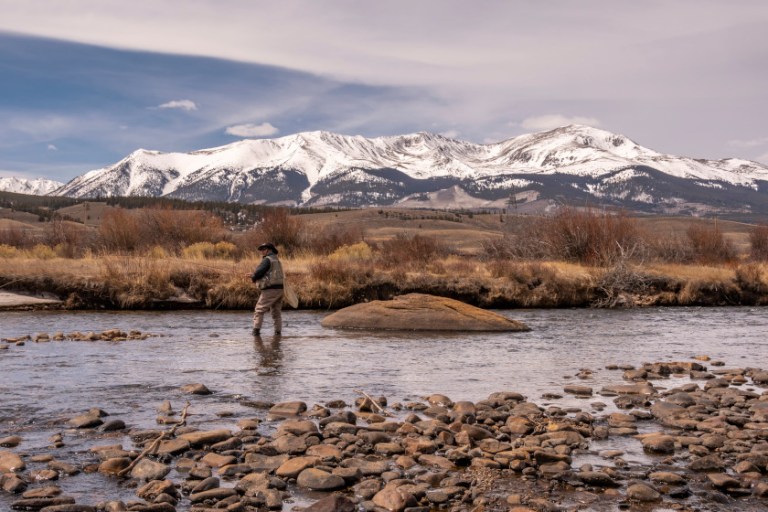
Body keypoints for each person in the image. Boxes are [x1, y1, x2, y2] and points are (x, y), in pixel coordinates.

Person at [250, 242, 284, 336]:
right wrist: (253, 275)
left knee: (259, 310)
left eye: (263, 249)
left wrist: (253, 277)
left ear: (269, 250)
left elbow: (259, 272)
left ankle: (256, 332)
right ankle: (278, 333)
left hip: (270, 289)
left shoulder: (267, 260)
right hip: (280, 289)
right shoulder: (277, 260)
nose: (261, 251)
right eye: (261, 250)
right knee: (276, 312)